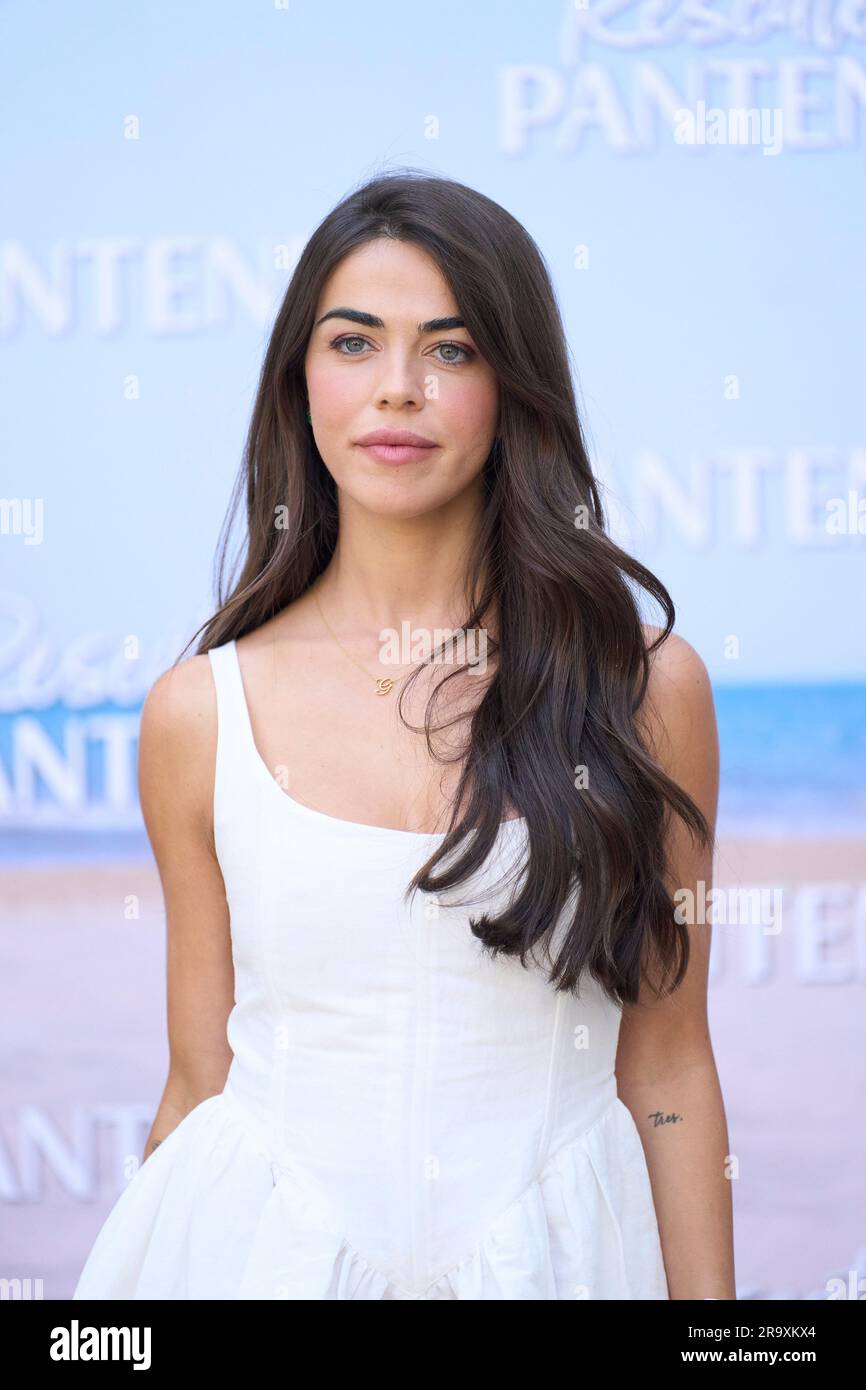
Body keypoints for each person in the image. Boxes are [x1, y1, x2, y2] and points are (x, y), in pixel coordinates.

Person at [73, 168, 734, 1301]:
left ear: (513, 386)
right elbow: (199, 1080)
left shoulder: (645, 691)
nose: (396, 390)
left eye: (451, 349)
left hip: (558, 1265)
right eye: (352, 344)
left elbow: (666, 1063)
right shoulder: (197, 713)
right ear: (300, 381)